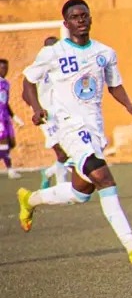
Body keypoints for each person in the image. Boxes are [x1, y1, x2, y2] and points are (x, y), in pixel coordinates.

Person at [17, 0, 132, 266]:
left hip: (94, 129)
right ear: (66, 23)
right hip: (69, 127)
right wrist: (36, 108)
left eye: (84, 15)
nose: (80, 19)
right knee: (104, 178)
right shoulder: (53, 53)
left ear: (91, 19)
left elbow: (114, 84)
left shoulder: (105, 53)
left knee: (81, 193)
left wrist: (130, 105)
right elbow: (28, 81)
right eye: (74, 16)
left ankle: (31, 199)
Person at [37, 35, 72, 189]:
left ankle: (49, 173)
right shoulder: (39, 67)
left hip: (62, 113)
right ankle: (62, 186)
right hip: (47, 116)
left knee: (68, 151)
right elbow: (26, 90)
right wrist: (37, 109)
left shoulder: (61, 67)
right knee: (62, 153)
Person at [0, 58, 25, 179]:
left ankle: (10, 169)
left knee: (11, 143)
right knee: (4, 144)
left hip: (5, 117)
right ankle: (10, 170)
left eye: (6, 68)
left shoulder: (5, 83)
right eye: (2, 68)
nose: (5, 70)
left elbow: (5, 102)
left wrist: (14, 117)